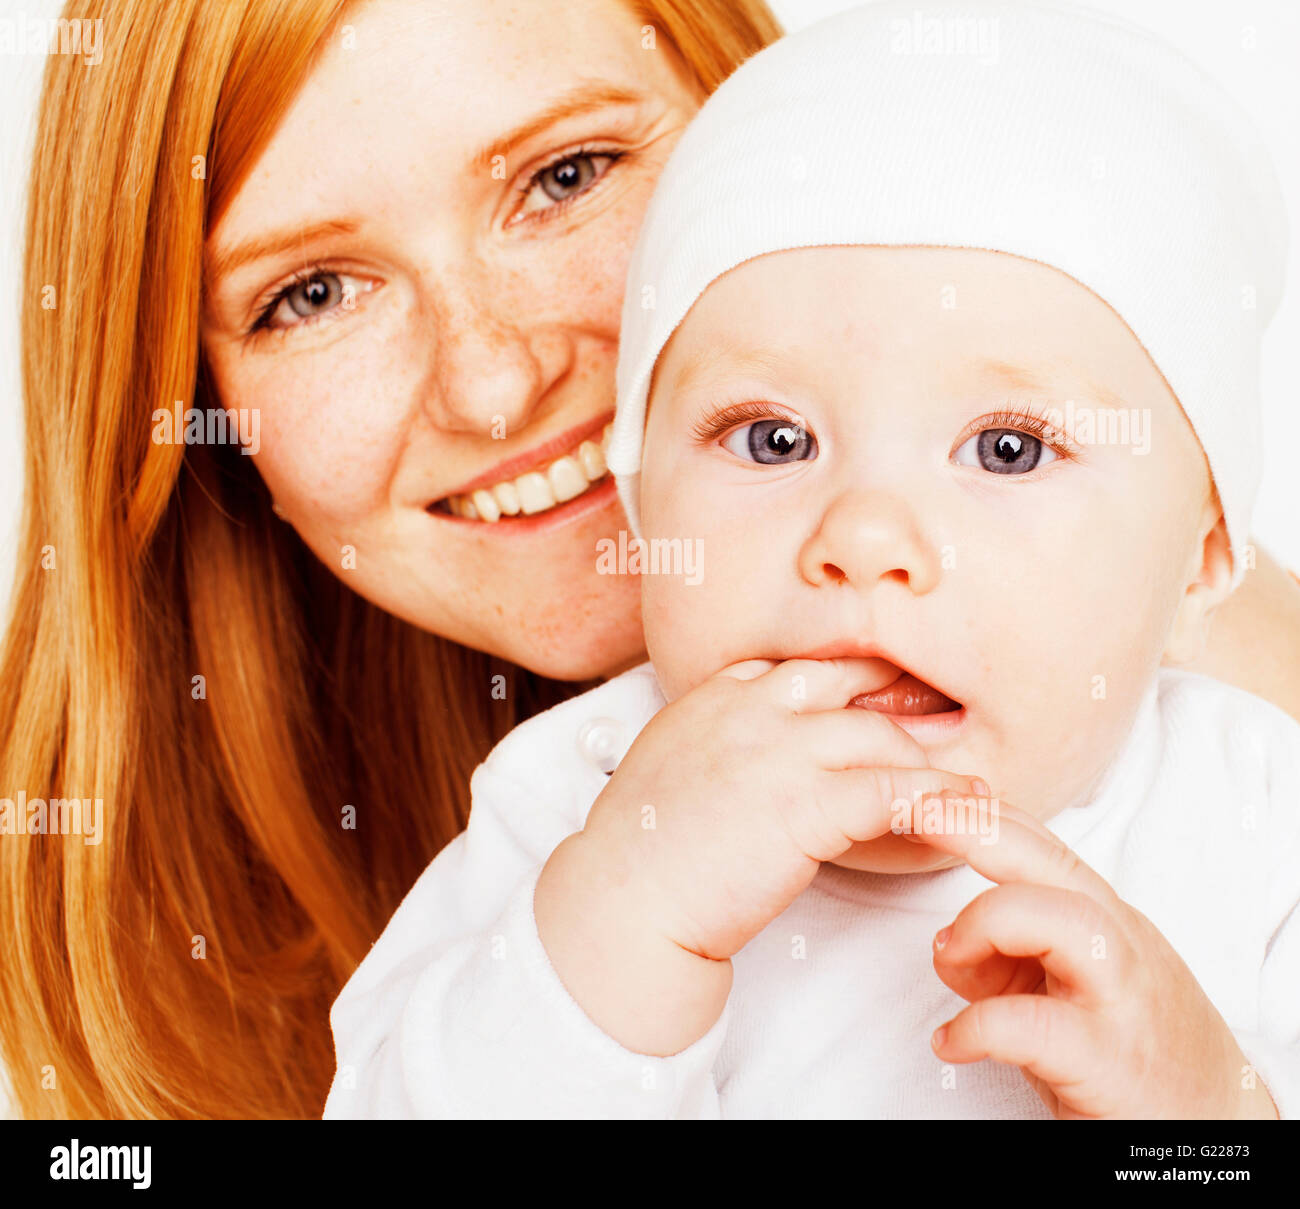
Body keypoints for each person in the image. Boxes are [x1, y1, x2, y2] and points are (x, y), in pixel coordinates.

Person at [0, 0, 1296, 1121]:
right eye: (314, 291)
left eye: (567, 174)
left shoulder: (1249, 790)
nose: (495, 385)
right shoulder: (562, 805)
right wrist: (616, 928)